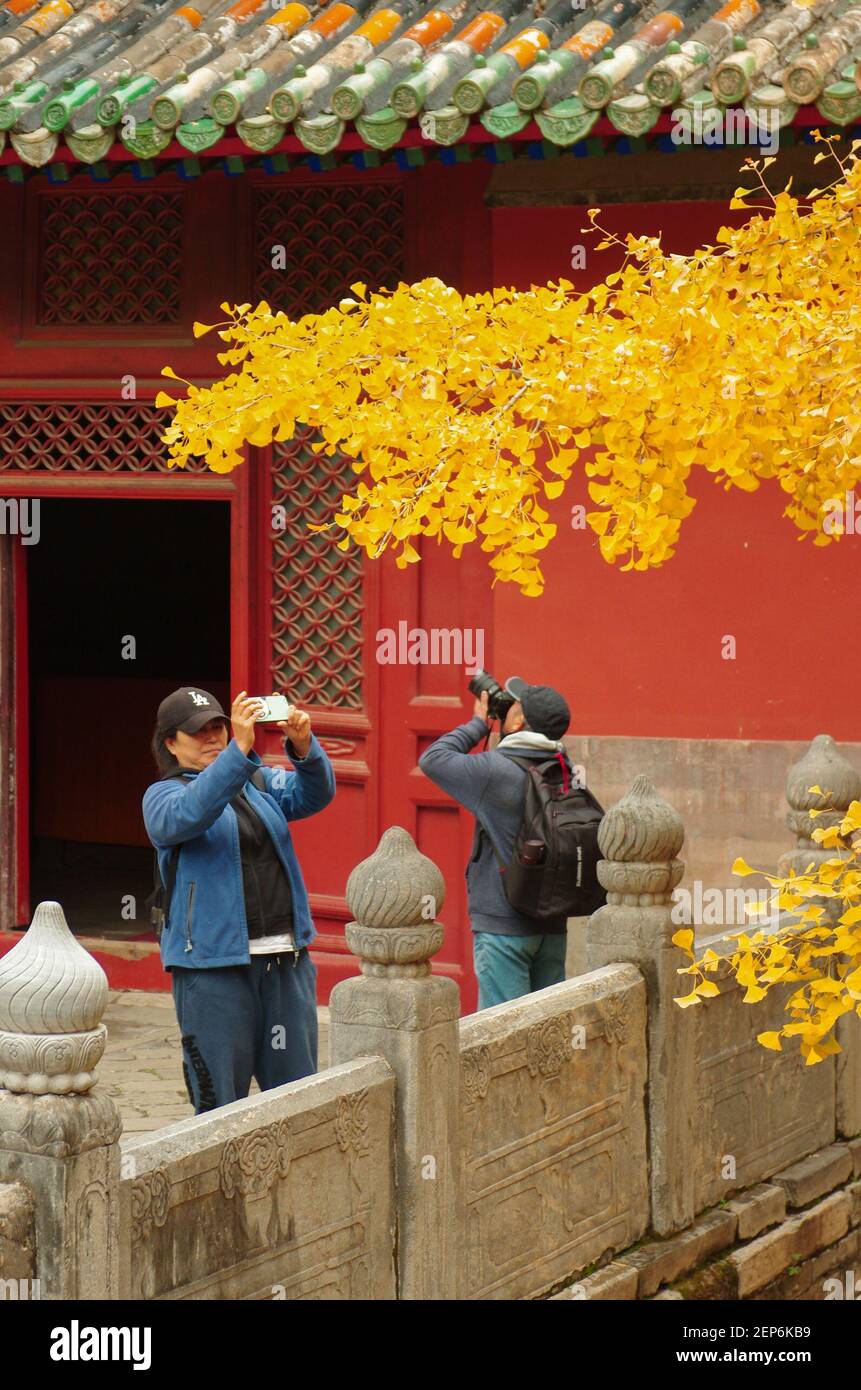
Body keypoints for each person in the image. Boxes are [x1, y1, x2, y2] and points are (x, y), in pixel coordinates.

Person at [143, 686, 335, 1114]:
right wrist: (238, 754)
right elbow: (192, 813)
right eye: (198, 732)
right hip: (212, 971)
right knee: (217, 1107)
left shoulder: (258, 781)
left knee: (298, 1102)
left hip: (285, 961)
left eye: (219, 727)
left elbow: (314, 795)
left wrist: (304, 749)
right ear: (171, 744)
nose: (213, 737)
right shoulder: (163, 797)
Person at [419, 677, 573, 1009]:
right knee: (548, 1027)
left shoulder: (495, 770)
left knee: (504, 1040)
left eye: (513, 706)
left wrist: (478, 723)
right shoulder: (564, 769)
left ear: (518, 721)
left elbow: (432, 759)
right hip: (552, 928)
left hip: (504, 929)